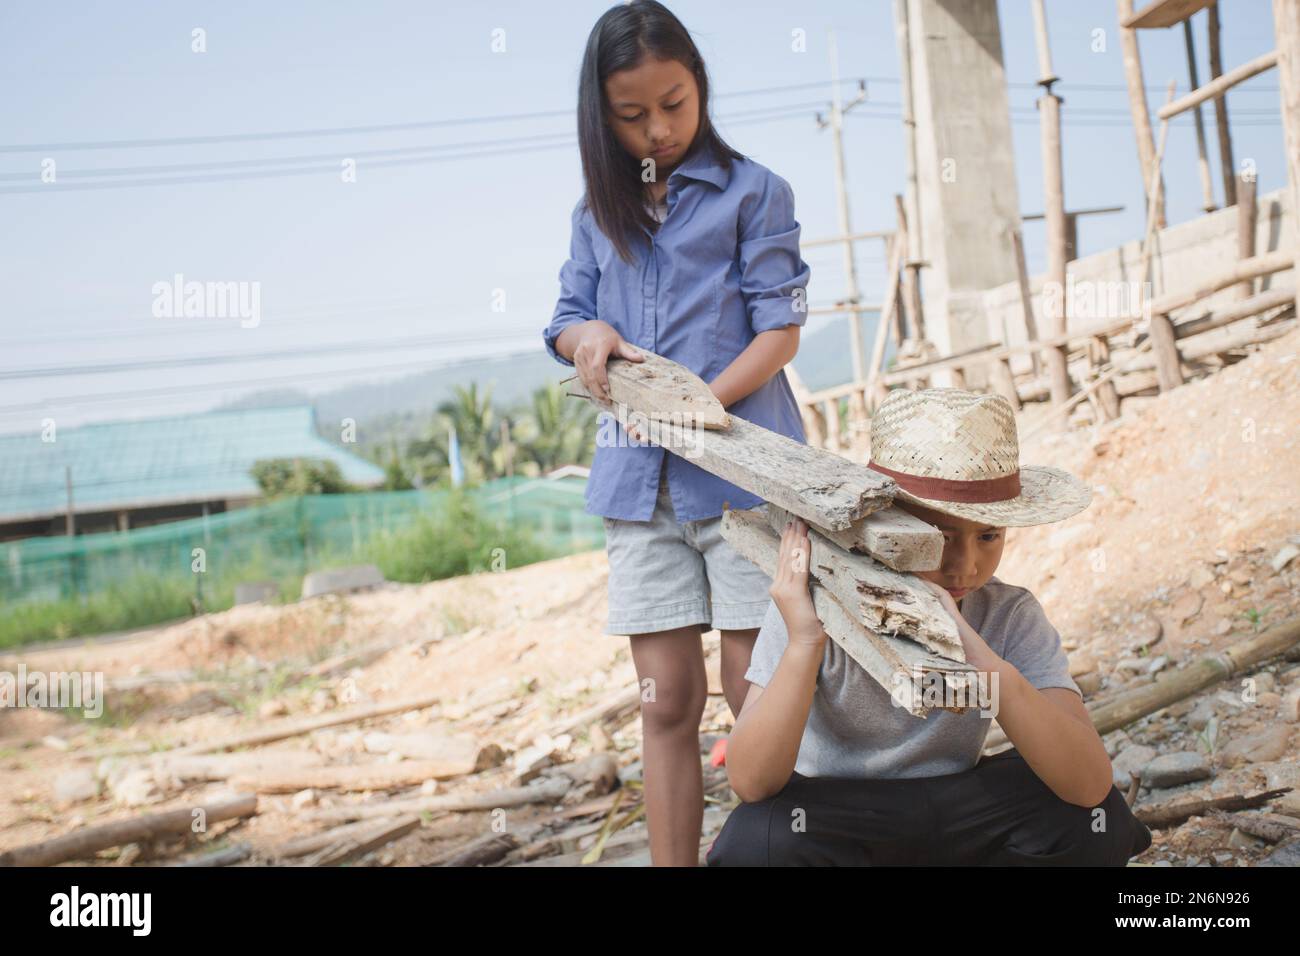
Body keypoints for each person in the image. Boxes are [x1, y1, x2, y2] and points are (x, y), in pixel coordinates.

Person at [542, 0, 811, 866]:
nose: (657, 129)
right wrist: (588, 341)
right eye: (632, 115)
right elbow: (565, 319)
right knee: (664, 704)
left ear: (701, 87)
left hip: (740, 484)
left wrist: (701, 408)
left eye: (675, 102)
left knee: (753, 692)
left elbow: (781, 330)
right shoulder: (595, 213)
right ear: (601, 116)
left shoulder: (755, 192)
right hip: (637, 487)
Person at [708, 387, 1154, 865]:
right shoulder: (812, 605)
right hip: (835, 815)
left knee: (1094, 820)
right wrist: (804, 641)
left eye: (988, 536)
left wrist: (973, 650)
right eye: (938, 536)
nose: (965, 566)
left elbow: (1087, 783)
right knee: (755, 845)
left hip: (959, 810)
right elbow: (751, 781)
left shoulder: (1008, 613)